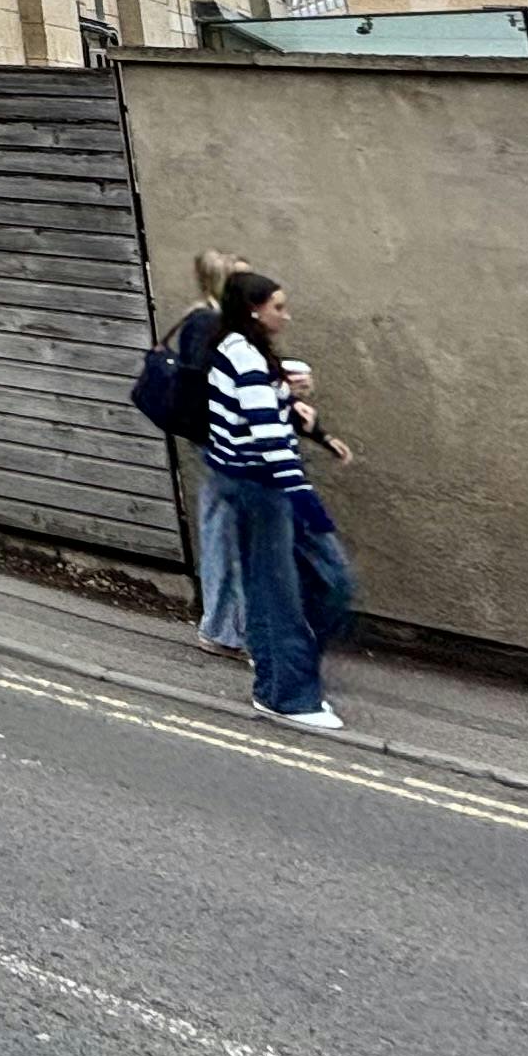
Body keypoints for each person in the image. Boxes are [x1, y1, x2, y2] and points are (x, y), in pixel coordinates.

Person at [204, 269, 358, 730]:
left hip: (267, 483)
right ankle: (284, 695)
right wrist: (302, 496)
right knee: (277, 593)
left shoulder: (251, 355)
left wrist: (313, 426)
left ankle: (280, 662)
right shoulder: (243, 358)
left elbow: (271, 412)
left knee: (331, 582)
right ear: (254, 309)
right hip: (261, 486)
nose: (285, 316)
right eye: (278, 307)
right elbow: (268, 439)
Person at [154, 250, 250, 657]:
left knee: (224, 526)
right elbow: (216, 383)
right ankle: (222, 628)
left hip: (218, 436)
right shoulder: (208, 324)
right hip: (218, 438)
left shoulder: (212, 321)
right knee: (225, 529)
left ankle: (225, 627)